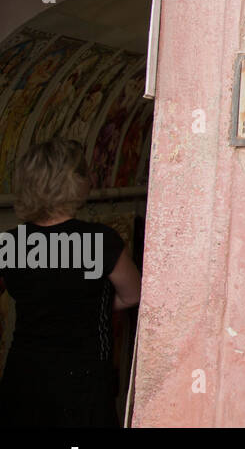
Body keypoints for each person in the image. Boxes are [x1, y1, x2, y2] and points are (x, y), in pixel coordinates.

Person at [0, 139, 141, 427]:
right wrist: (91, 304)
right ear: (74, 182)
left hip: (23, 371)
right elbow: (133, 295)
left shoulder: (9, 242)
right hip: (82, 376)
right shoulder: (99, 241)